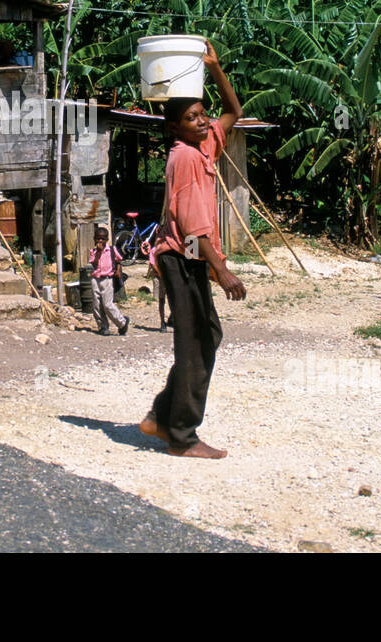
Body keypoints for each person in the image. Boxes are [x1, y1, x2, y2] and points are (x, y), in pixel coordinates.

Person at [139, 40, 246, 459]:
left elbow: (234, 112)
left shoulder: (204, 146)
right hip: (181, 255)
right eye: (191, 117)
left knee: (205, 336)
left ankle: (162, 416)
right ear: (175, 127)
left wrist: (215, 69)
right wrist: (222, 271)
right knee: (196, 341)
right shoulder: (183, 157)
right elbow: (190, 227)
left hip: (190, 256)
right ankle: (181, 435)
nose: (202, 121)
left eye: (202, 114)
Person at [89, 226, 129, 336]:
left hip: (107, 279)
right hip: (96, 279)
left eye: (102, 239)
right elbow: (94, 263)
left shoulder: (112, 250)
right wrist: (98, 252)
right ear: (94, 239)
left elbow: (119, 260)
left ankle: (122, 322)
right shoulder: (93, 252)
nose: (100, 241)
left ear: (107, 239)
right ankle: (102, 326)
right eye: (98, 239)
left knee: (107, 304)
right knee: (97, 304)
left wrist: (118, 270)